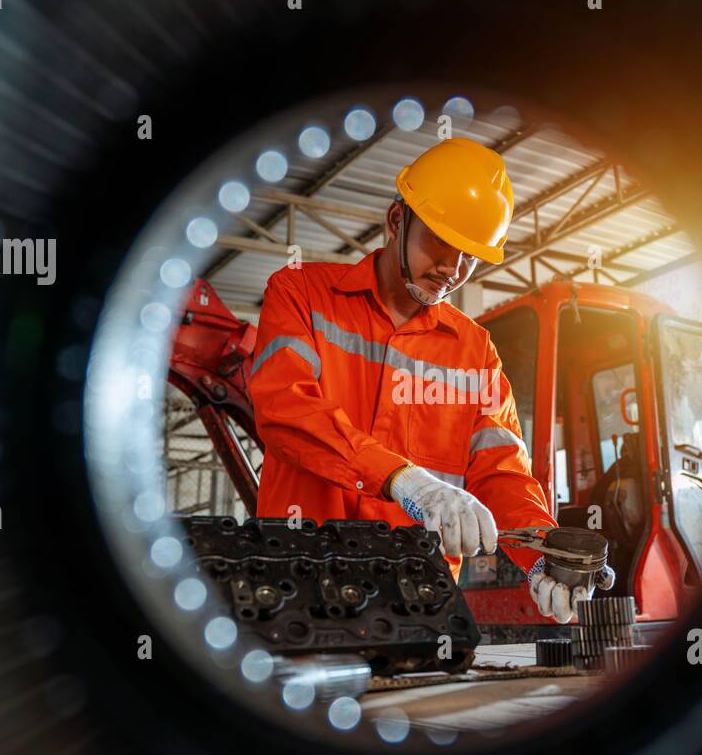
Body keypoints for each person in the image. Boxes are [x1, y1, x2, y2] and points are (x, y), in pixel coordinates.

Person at [247, 137, 607, 622]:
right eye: (440, 240)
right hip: (297, 587)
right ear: (397, 220)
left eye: (469, 256)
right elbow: (285, 408)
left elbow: (500, 473)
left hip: (414, 606)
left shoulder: (475, 351)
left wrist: (541, 557)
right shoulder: (301, 295)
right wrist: (402, 478)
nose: (452, 270)